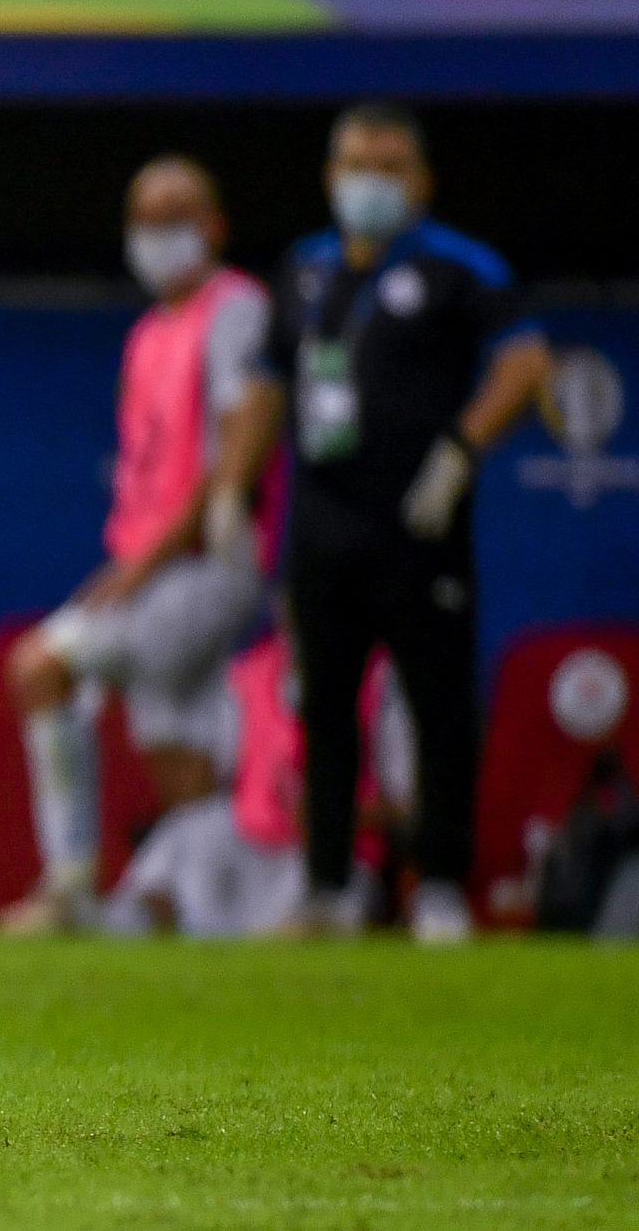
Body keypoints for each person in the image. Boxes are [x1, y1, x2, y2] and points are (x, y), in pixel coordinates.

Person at [206, 102, 551, 944]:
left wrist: (461, 452)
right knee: (323, 706)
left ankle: (437, 885)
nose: (371, 181)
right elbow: (267, 386)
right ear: (330, 177)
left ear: (421, 180)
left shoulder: (459, 267)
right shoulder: (303, 269)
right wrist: (229, 486)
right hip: (323, 526)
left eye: (390, 166)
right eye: (357, 164)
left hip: (419, 518)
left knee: (437, 705)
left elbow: (527, 360)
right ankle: (327, 886)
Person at [0, 157, 272, 935]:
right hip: (150, 572)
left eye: (177, 213)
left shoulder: (238, 308)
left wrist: (141, 568)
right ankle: (224, 917)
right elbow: (151, 474)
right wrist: (126, 567)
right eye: (144, 218)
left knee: (40, 665)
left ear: (214, 225)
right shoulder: (149, 333)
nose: (159, 234)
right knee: (184, 771)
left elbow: (234, 447)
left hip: (203, 564)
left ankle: (69, 884)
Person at [102, 632, 415, 938]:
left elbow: (409, 805)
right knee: (191, 827)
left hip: (334, 845)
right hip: (249, 831)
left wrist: (339, 813)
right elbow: (216, 775)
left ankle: (294, 939)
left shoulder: (382, 678)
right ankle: (128, 916)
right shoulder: (251, 671)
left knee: (326, 894)